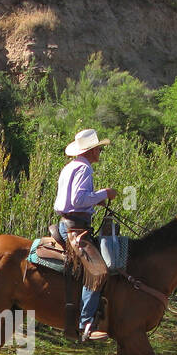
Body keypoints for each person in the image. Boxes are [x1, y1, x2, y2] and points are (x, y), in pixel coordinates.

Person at [54, 128, 115, 342]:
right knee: (97, 272)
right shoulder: (84, 168)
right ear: (90, 151)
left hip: (69, 223)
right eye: (98, 149)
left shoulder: (71, 166)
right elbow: (78, 200)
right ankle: (86, 323)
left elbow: (73, 199)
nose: (99, 152)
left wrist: (95, 200)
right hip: (75, 228)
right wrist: (104, 193)